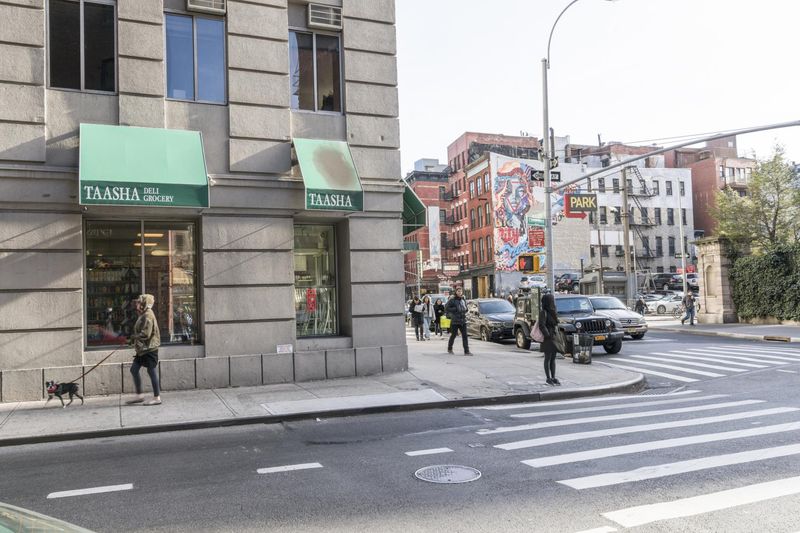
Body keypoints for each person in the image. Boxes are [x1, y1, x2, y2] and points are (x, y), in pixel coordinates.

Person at [126, 294, 162, 405]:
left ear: (145, 303)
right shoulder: (143, 314)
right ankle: (140, 395)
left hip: (150, 349)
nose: (137, 304)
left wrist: (133, 337)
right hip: (143, 349)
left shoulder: (148, 315)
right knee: (134, 369)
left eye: (139, 302)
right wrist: (133, 340)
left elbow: (145, 334)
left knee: (151, 371)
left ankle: (157, 398)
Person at [539, 293, 560, 386]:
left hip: (553, 337)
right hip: (548, 338)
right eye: (552, 301)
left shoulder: (553, 311)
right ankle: (548, 378)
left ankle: (553, 377)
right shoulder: (543, 312)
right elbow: (541, 325)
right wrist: (547, 335)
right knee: (547, 357)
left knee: (553, 358)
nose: (553, 302)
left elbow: (556, 323)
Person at [445, 287, 471, 355]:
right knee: (453, 335)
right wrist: (455, 309)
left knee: (465, 336)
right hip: (455, 321)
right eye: (458, 291)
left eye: (461, 291)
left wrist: (466, 310)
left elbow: (466, 308)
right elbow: (446, 308)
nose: (460, 292)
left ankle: (467, 351)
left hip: (463, 320)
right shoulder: (452, 300)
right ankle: (449, 348)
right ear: (456, 292)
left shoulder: (463, 299)